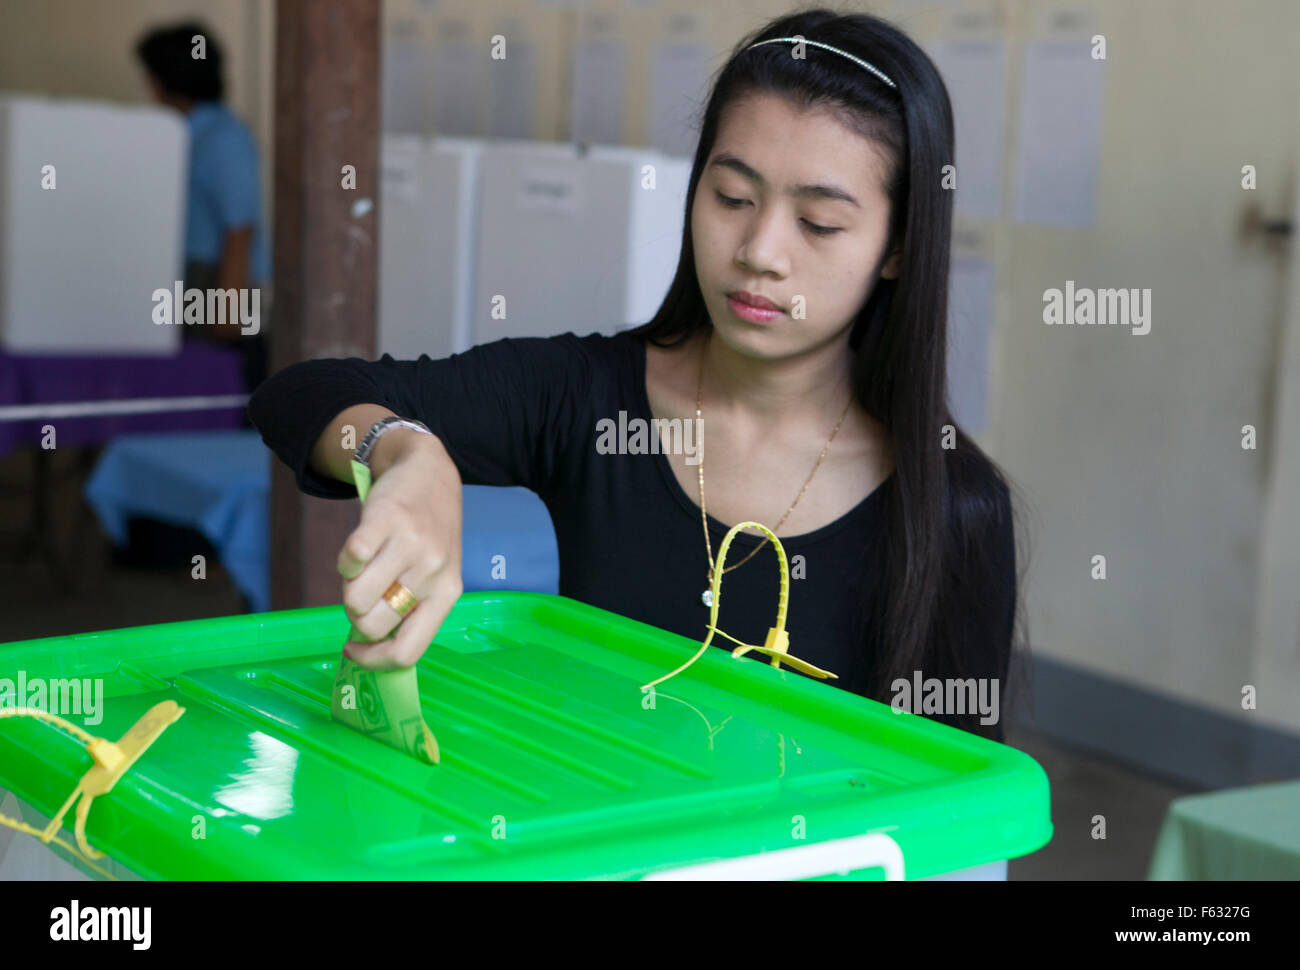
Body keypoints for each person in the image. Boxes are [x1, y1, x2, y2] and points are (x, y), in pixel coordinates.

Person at [249, 8, 1026, 741]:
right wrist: (404, 449)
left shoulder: (954, 507)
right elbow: (298, 394)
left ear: (897, 247)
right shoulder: (585, 396)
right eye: (732, 196)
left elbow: (964, 807)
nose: (760, 249)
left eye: (818, 222)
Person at [136, 21, 270, 402]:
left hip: (219, 281)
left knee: (220, 387)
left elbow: (240, 230)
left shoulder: (225, 139)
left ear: (164, 79)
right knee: (185, 385)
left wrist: (227, 316)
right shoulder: (180, 133)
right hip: (191, 278)